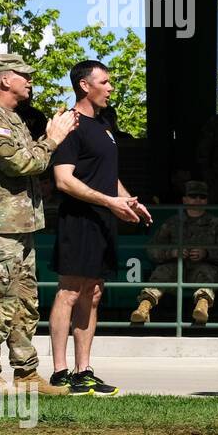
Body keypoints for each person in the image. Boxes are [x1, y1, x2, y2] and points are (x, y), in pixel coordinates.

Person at [0, 53, 76, 395]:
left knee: (25, 302)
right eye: (23, 75)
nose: (29, 80)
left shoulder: (11, 119)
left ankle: (26, 374)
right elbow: (21, 164)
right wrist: (53, 139)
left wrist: (46, 137)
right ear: (4, 81)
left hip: (20, 225)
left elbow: (28, 160)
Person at [48, 60, 151, 396]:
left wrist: (129, 201)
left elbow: (109, 176)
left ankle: (84, 370)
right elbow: (64, 180)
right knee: (71, 292)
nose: (110, 88)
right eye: (104, 82)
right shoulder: (70, 124)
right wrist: (109, 203)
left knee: (93, 294)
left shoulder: (104, 125)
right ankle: (60, 372)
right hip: (78, 220)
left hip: (104, 221)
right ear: (84, 85)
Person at [131, 180, 218, 325]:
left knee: (208, 274)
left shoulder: (216, 223)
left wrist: (206, 253)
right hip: (176, 267)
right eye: (193, 196)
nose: (197, 200)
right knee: (162, 272)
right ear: (185, 199)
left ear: (207, 200)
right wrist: (172, 253)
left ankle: (202, 308)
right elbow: (152, 249)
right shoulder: (173, 222)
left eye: (201, 197)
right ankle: (144, 308)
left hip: (203, 268)